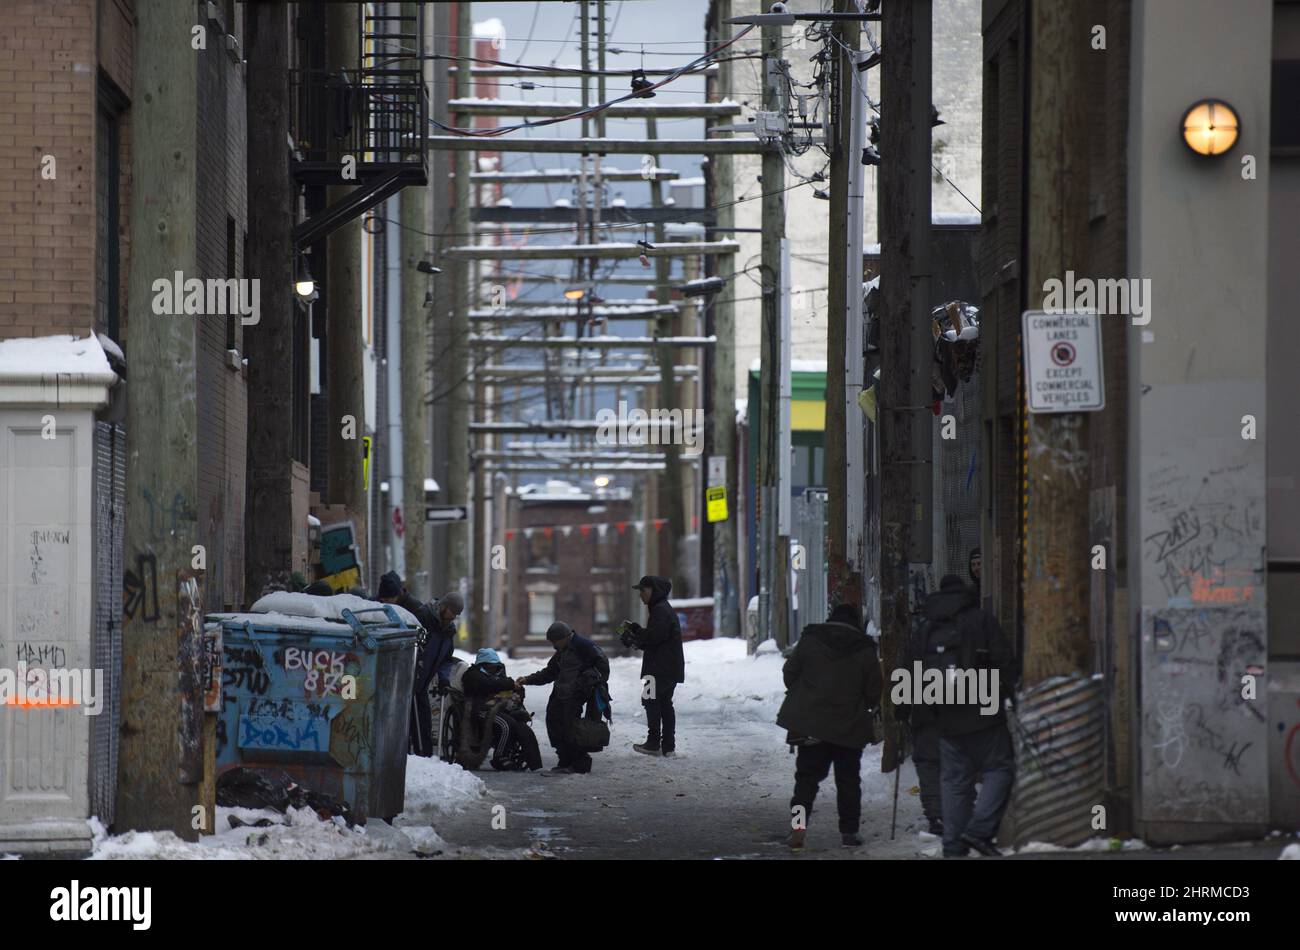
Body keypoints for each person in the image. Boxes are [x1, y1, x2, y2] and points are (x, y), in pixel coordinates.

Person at [914, 574, 1017, 858]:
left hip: (946, 714)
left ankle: (953, 846)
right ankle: (980, 829)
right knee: (1000, 769)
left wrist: (927, 711)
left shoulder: (927, 627)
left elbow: (914, 671)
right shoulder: (981, 620)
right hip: (984, 711)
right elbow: (1003, 660)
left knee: (955, 781)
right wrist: (1010, 694)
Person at [776, 602, 883, 849]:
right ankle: (849, 832)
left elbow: (790, 671)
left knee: (806, 779)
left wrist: (804, 694)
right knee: (848, 780)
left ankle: (798, 827)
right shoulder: (865, 650)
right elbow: (873, 691)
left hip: (811, 724)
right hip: (849, 727)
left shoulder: (811, 639)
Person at [378, 571, 464, 757]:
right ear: (444, 606)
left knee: (423, 722)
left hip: (421, 684)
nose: (452, 617)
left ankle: (424, 757)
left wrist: (443, 679)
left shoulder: (448, 632)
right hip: (408, 680)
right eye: (452, 612)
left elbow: (446, 660)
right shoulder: (424, 617)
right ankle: (408, 756)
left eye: (456, 615)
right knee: (406, 722)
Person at [517, 622, 609, 774]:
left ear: (564, 637)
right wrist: (527, 679)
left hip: (575, 695)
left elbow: (603, 667)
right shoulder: (562, 650)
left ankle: (579, 762)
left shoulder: (583, 646)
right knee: (554, 723)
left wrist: (586, 685)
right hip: (561, 693)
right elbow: (550, 672)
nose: (554, 645)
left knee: (571, 728)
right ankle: (565, 759)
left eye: (555, 642)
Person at [621, 575, 685, 757]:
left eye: (643, 590)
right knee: (664, 704)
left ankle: (653, 743)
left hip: (658, 669)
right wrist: (636, 631)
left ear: (653, 590)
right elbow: (655, 637)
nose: (640, 594)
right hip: (666, 668)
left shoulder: (660, 611)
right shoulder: (661, 609)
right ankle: (668, 747)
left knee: (651, 701)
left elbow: (654, 638)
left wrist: (635, 637)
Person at [461, 648, 542, 771]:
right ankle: (500, 757)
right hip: (481, 709)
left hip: (500, 709)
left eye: (495, 666)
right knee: (506, 724)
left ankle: (535, 764)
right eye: (490, 666)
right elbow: (489, 684)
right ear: (483, 665)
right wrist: (509, 684)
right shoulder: (472, 675)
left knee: (522, 727)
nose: (493, 669)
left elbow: (512, 687)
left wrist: (517, 694)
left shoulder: (499, 675)